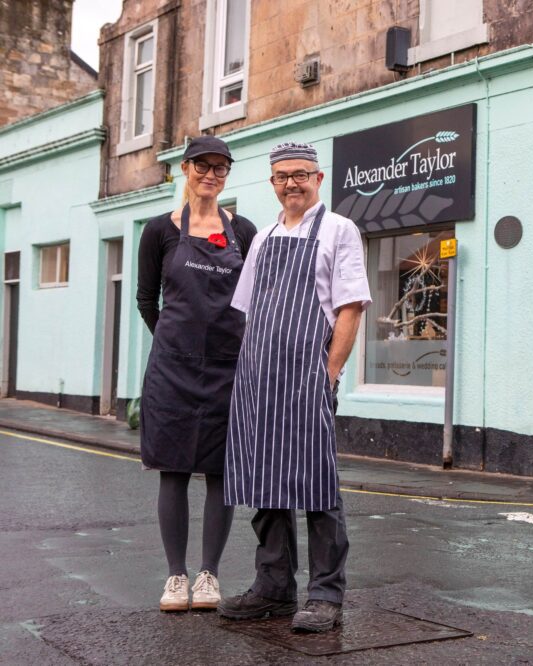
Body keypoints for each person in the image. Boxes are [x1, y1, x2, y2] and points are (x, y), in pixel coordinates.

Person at [218, 142, 370, 633]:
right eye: (283, 176)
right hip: (258, 379)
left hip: (308, 377)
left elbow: (351, 308)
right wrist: (247, 371)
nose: (292, 183)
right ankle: (273, 587)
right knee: (264, 481)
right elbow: (249, 311)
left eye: (301, 174)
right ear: (272, 184)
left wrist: (329, 374)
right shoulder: (262, 238)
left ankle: (325, 594)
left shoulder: (339, 230)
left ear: (318, 178)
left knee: (317, 485)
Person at [137, 135, 258, 612]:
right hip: (173, 370)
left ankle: (209, 575)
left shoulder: (243, 231)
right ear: (185, 169)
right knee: (173, 471)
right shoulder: (159, 230)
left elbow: (254, 297)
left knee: (221, 473)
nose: (211, 175)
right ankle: (176, 576)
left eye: (220, 168)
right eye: (202, 166)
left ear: (227, 175)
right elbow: (147, 299)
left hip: (228, 369)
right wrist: (174, 344)